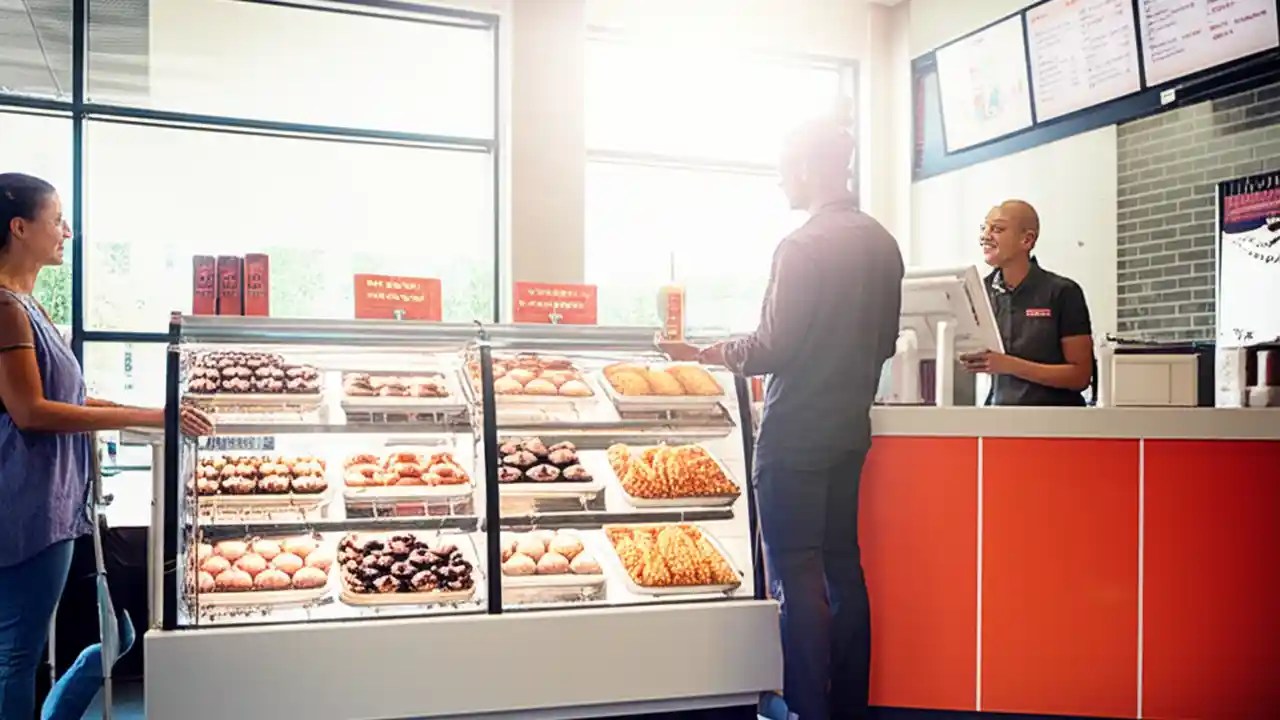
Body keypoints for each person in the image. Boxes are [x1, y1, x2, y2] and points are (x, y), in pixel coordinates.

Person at [660, 107, 904, 720]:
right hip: (848, 430)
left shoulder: (801, 246)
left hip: (794, 434)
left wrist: (705, 353)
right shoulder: (882, 243)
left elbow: (771, 347)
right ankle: (847, 708)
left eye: (784, 169)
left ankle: (804, 710)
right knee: (843, 569)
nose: (779, 181)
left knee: (795, 576)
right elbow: (884, 343)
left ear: (807, 169)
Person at [0, 172, 211, 719]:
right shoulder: (5, 308)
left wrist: (148, 411)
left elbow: (66, 396)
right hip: (25, 506)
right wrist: (151, 416)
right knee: (16, 656)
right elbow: (31, 411)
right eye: (57, 220)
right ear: (19, 228)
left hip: (54, 503)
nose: (66, 232)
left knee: (55, 643)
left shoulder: (28, 305)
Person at [961, 200, 1094, 406]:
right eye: (984, 228)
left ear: (1027, 240)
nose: (985, 236)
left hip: (1055, 418)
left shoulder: (1063, 292)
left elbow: (1080, 376)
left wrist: (1010, 365)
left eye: (997, 229)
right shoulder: (979, 292)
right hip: (996, 416)